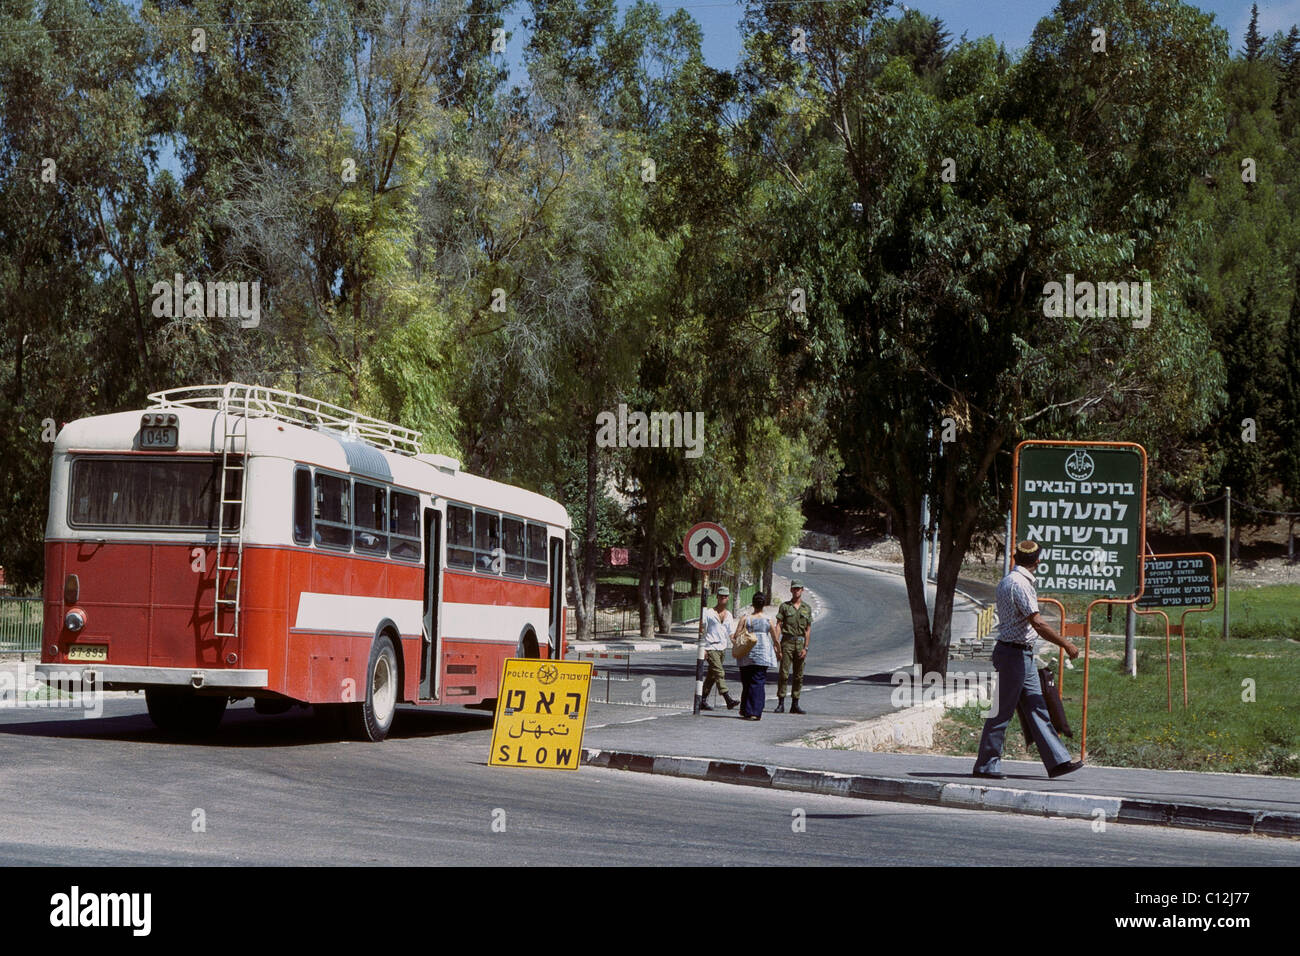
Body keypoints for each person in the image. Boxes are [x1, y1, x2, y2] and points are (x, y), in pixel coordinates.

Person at [973, 540, 1084, 779]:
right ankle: (986, 765)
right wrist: (1065, 643)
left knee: (1037, 706)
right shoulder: (1019, 585)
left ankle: (1057, 761)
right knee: (1001, 712)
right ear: (1038, 562)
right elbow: (1038, 623)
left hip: (1021, 653)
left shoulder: (1008, 581)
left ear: (1015, 557)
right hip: (1014, 655)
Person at [733, 591, 780, 720]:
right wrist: (778, 651)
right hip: (763, 654)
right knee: (758, 682)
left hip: (746, 652)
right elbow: (775, 638)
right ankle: (755, 711)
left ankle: (745, 710)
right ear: (763, 604)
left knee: (746, 682)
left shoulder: (745, 618)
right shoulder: (768, 619)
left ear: (753, 604)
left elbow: (736, 635)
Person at [775, 580, 812, 714]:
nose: (796, 591)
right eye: (794, 589)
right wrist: (776, 643)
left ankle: (795, 703)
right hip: (787, 642)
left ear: (802, 590)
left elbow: (808, 629)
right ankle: (781, 703)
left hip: (800, 643)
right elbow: (778, 625)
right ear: (791, 590)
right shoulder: (785, 607)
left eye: (798, 589)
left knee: (798, 675)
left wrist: (805, 648)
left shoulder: (806, 608)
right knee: (783, 673)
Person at [699, 587, 740, 711]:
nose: (723, 598)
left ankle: (702, 699)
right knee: (720, 672)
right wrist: (703, 648)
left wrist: (737, 644)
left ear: (728, 598)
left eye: (725, 596)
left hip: (722, 648)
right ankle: (728, 699)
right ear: (717, 597)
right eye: (721, 596)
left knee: (712, 676)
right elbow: (701, 630)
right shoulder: (709, 613)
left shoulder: (728, 615)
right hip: (711, 646)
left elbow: (731, 633)